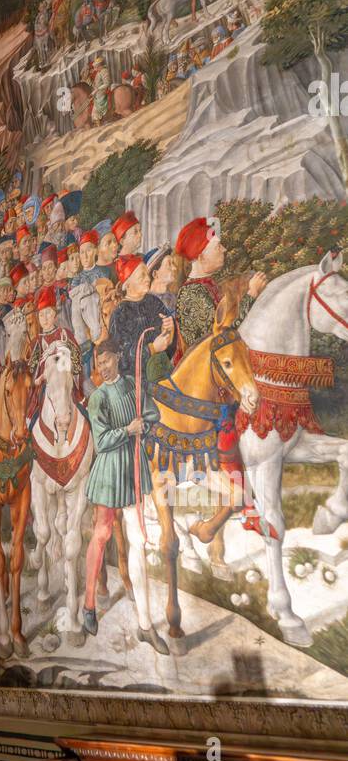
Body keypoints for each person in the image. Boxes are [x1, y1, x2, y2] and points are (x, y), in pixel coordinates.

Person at [82, 341, 167, 654]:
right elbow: (102, 440)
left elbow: (152, 413)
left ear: (117, 358)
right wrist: (129, 430)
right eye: (98, 364)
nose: (102, 368)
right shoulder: (97, 397)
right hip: (109, 468)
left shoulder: (133, 383)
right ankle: (89, 603)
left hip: (133, 465)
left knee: (138, 541)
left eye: (106, 361)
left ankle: (145, 625)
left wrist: (144, 422)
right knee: (102, 533)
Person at [174, 216, 266, 350]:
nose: (224, 249)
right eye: (218, 247)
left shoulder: (208, 283)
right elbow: (220, 337)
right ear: (201, 257)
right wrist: (252, 293)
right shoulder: (191, 293)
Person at [108, 254, 176, 383]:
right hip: (136, 383)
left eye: (147, 274)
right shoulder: (120, 313)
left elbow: (169, 346)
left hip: (162, 372)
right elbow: (121, 358)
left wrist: (169, 330)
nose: (147, 279)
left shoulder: (154, 302)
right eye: (142, 276)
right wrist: (152, 348)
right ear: (127, 285)